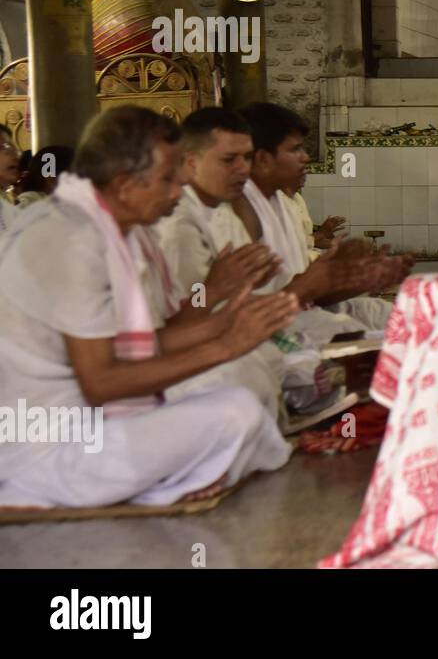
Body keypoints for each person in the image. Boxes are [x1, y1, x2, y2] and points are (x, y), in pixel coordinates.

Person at [0, 106, 296, 508]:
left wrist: (228, 323)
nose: (178, 190)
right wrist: (225, 345)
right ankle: (170, 481)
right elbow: (101, 382)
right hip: (45, 448)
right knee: (234, 410)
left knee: (242, 394)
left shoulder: (116, 230)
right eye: (168, 180)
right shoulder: (70, 238)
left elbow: (142, 342)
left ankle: (180, 475)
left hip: (95, 423)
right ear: (124, 185)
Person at [236, 102, 407, 331]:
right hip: (276, 328)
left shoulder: (283, 203)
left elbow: (309, 296)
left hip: (305, 312)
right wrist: (329, 274)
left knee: (396, 313)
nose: (306, 158)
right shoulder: (241, 208)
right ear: (264, 159)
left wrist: (364, 278)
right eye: (295, 149)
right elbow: (258, 314)